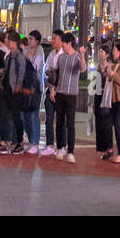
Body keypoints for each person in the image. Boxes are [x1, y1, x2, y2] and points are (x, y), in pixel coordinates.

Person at [53, 33, 85, 163]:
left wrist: (82, 55)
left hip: (71, 94)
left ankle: (71, 151)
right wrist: (53, 89)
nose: (62, 46)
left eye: (63, 43)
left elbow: (82, 68)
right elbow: (56, 74)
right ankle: (60, 147)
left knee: (70, 123)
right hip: (60, 93)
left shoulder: (77, 57)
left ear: (69, 43)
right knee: (59, 122)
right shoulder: (61, 57)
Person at [22, 31, 44, 153]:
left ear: (37, 41)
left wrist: (29, 58)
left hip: (36, 88)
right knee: (25, 115)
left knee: (33, 114)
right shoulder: (25, 50)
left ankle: (35, 142)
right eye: (28, 38)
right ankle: (29, 139)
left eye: (32, 39)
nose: (29, 41)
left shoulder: (40, 51)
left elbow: (36, 66)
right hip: (25, 87)